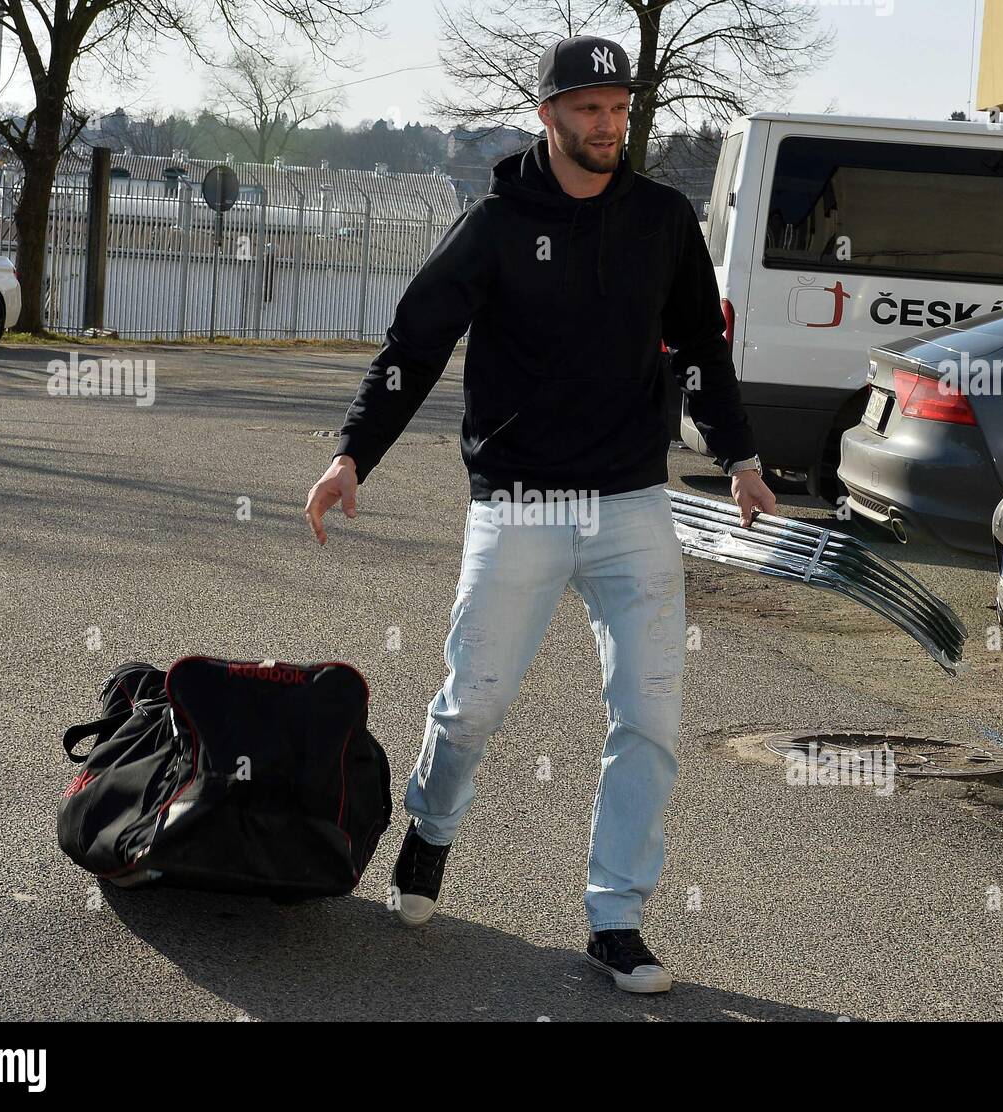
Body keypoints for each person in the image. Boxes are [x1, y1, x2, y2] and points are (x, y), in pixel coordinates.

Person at [305, 34, 774, 994]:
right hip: (517, 500)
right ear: (548, 115)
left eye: (619, 109)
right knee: (472, 705)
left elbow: (698, 347)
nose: (608, 125)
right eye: (589, 109)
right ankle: (431, 832)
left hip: (633, 502)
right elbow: (416, 343)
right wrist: (355, 450)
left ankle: (617, 918)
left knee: (649, 716)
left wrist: (740, 455)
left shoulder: (662, 218)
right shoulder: (495, 222)